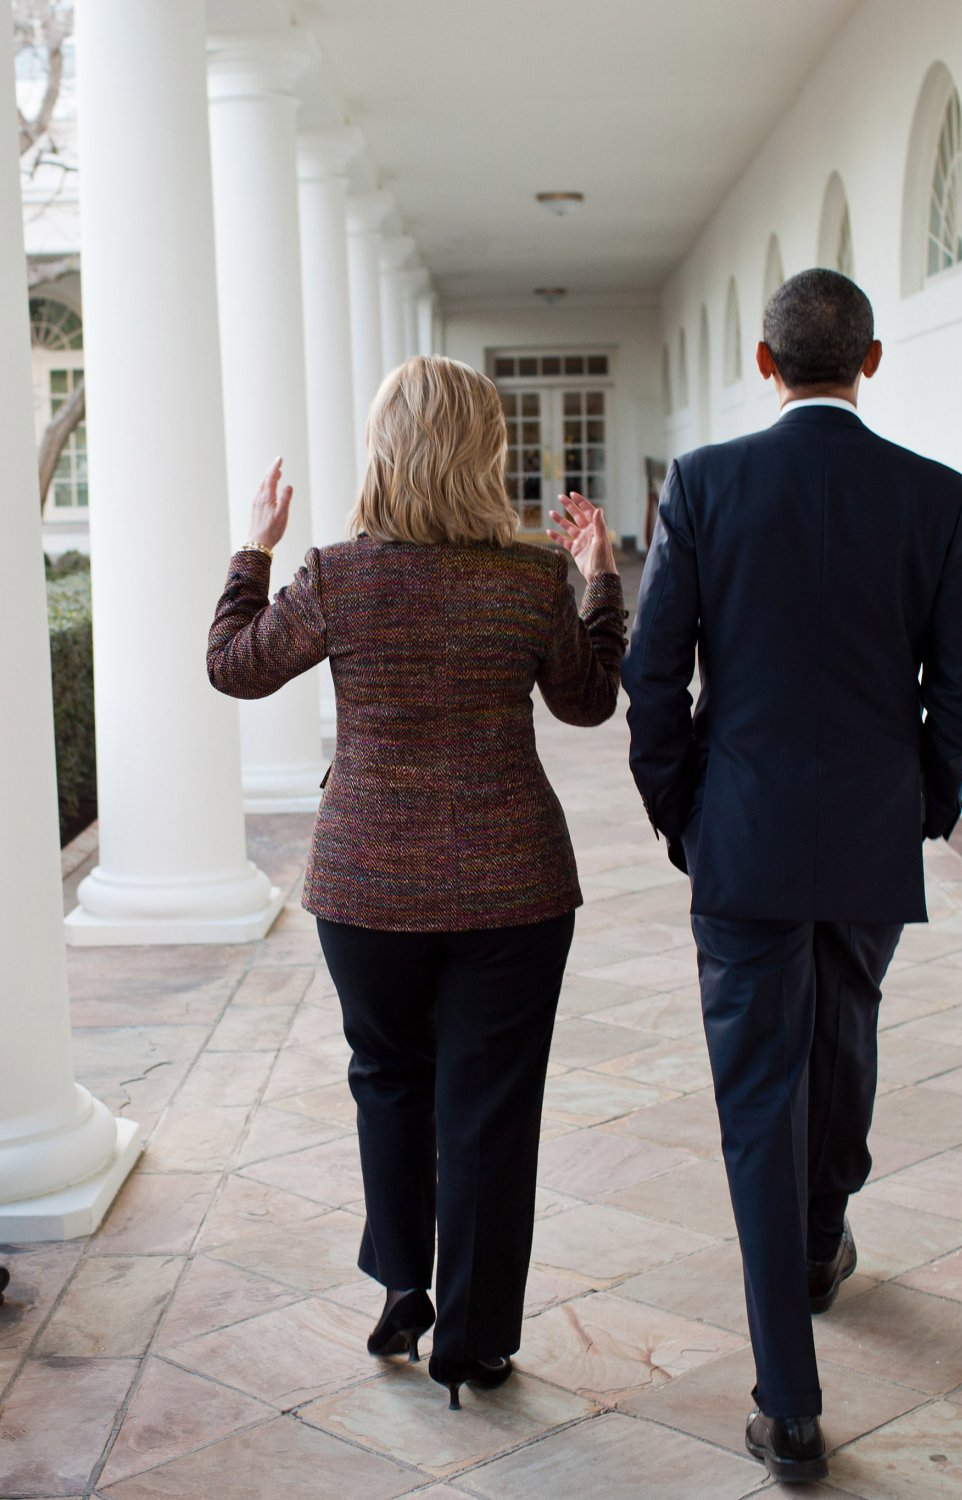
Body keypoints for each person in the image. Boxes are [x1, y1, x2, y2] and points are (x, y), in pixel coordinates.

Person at [622, 269, 962, 1483]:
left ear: (764, 362)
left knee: (757, 1107)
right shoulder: (935, 496)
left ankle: (788, 1402)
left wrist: (684, 811)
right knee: (846, 1034)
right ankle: (825, 1230)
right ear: (872, 362)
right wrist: (923, 805)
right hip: (868, 839)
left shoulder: (707, 484)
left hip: (744, 839)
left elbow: (651, 677)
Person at [207, 356, 625, 1411]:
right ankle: (475, 1345)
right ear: (488, 452)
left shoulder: (340, 574)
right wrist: (599, 579)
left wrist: (252, 546)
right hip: (513, 884)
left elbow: (234, 664)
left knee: (387, 1077)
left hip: (367, 886)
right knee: (491, 1108)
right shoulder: (530, 578)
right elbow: (587, 704)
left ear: (386, 448)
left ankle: (404, 1282)